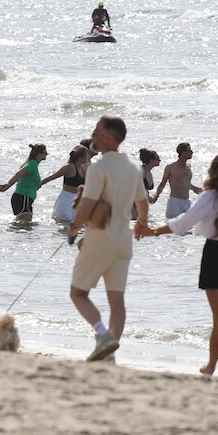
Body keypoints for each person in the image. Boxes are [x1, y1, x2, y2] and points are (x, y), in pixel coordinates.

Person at [138, 152, 218, 378]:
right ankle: (211, 366)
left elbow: (182, 224)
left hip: (217, 254)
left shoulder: (210, 196)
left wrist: (153, 231)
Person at [68, 115, 150, 362]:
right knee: (117, 301)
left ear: (108, 136)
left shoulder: (98, 167)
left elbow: (86, 207)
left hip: (99, 238)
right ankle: (109, 354)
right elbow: (143, 203)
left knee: (78, 293)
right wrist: (142, 225)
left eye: (96, 132)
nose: (93, 135)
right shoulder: (134, 167)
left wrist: (73, 229)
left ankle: (103, 335)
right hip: (124, 240)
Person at [152, 142, 203, 219]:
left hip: (186, 202)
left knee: (187, 225)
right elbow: (163, 183)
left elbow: (187, 184)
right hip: (175, 201)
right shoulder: (171, 167)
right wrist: (156, 196)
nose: (192, 152)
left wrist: (200, 191)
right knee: (172, 224)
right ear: (183, 152)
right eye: (189, 150)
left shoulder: (189, 167)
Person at [43, 145, 91, 222]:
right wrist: (39, 184)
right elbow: (52, 177)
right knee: (65, 224)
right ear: (81, 157)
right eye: (86, 154)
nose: (88, 157)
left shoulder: (83, 167)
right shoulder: (69, 167)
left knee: (77, 225)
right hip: (66, 200)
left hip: (77, 200)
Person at [2, 143, 47, 220]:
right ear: (38, 154)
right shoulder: (32, 164)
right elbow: (18, 174)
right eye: (45, 153)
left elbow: (26, 181)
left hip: (24, 198)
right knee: (25, 225)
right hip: (23, 198)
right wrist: (8, 185)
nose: (47, 154)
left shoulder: (33, 164)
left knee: (23, 226)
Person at [132, 148, 160, 221]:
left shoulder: (149, 172)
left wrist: (153, 197)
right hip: (134, 206)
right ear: (151, 160)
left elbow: (145, 191)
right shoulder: (140, 171)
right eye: (158, 158)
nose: (160, 160)